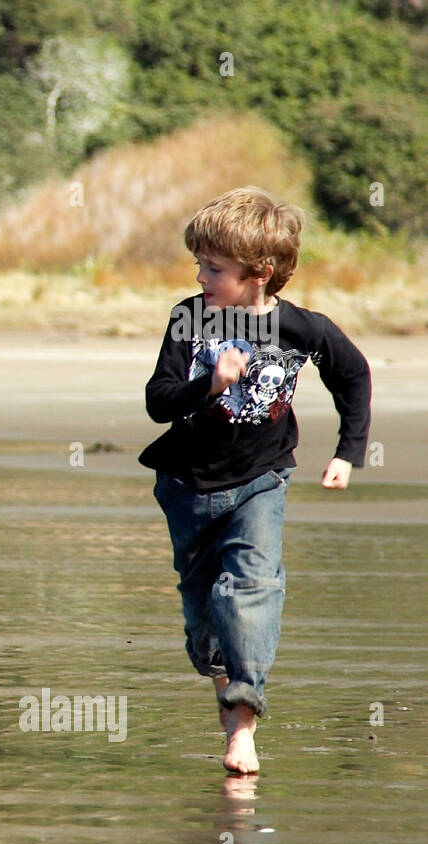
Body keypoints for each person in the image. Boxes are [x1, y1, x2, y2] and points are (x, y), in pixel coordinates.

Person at [140, 188, 371, 774]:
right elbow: (157, 402)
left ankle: (243, 721)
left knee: (252, 588)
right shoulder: (188, 318)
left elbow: (352, 375)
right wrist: (209, 384)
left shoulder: (302, 329)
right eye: (199, 264)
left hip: (260, 482)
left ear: (260, 273)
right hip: (185, 485)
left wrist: (348, 452)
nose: (201, 276)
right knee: (203, 616)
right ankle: (223, 676)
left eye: (214, 268)